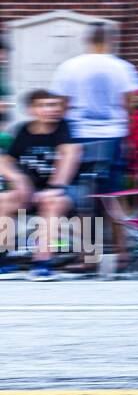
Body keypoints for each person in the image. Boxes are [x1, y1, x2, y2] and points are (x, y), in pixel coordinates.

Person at [50, 24, 138, 197]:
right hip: (113, 134)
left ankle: (79, 220)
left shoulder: (68, 66)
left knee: (75, 186)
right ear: (112, 41)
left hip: (77, 133)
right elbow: (130, 105)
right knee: (111, 192)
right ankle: (108, 221)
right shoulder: (124, 67)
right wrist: (129, 135)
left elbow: (61, 104)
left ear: (87, 40)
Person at [0, 90, 82, 280]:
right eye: (45, 105)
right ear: (31, 110)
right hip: (28, 192)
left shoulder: (63, 128)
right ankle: (2, 260)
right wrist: (18, 179)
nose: (52, 109)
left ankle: (42, 263)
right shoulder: (23, 130)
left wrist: (55, 187)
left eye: (54, 105)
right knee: (3, 200)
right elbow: (4, 160)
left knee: (50, 204)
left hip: (63, 192)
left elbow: (69, 155)